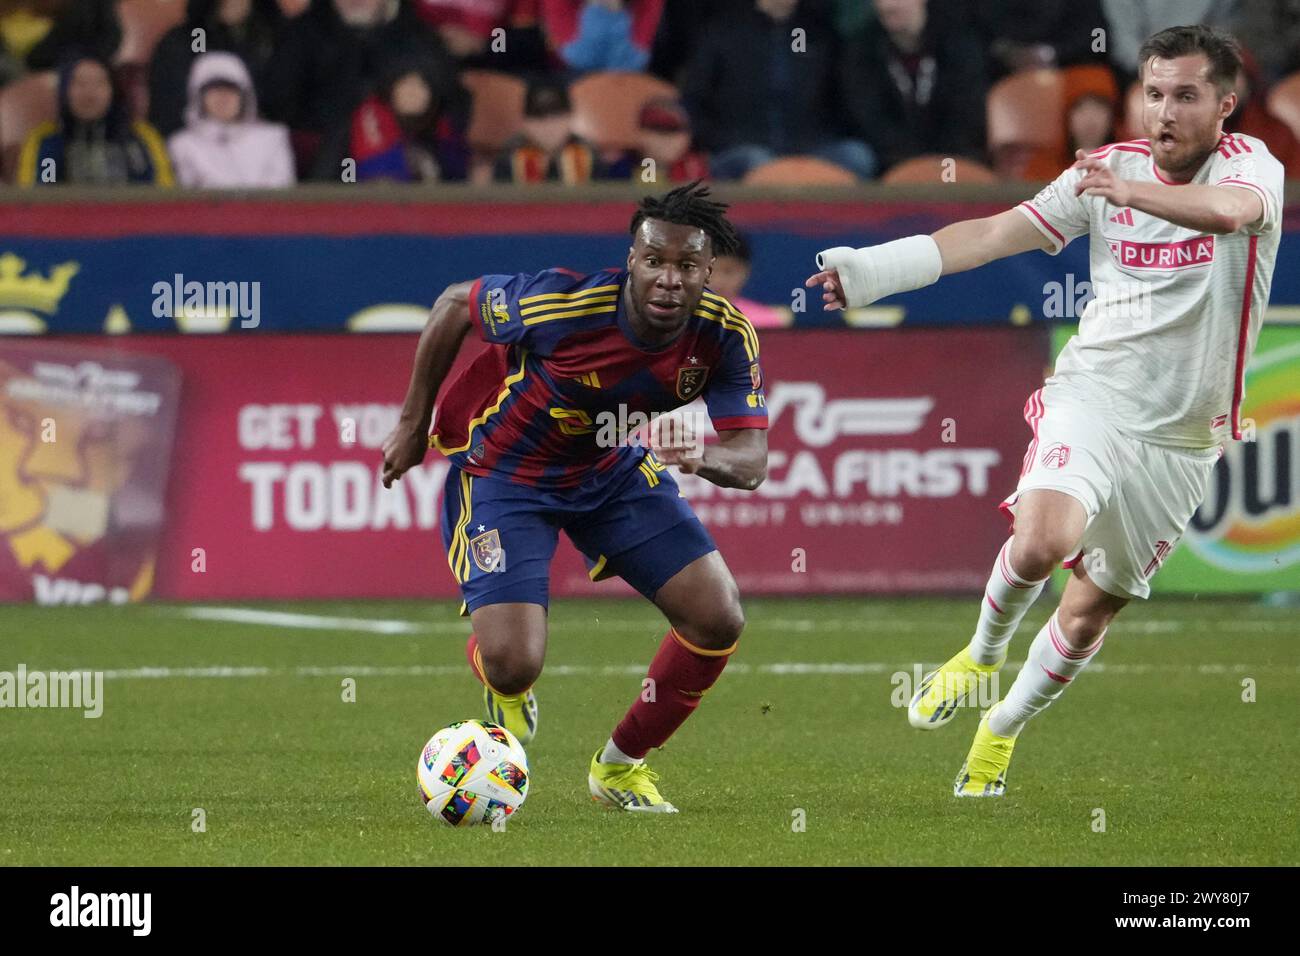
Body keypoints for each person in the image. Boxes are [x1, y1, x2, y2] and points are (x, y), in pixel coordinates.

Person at [807, 26, 1283, 797]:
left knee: (1089, 611)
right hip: (1095, 395)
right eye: (1154, 93)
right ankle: (981, 656)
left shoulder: (1252, 167)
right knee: (1041, 540)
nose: (1165, 111)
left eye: (1187, 96)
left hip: (1184, 436)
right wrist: (875, 272)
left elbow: (1229, 213)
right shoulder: (1104, 173)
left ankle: (1000, 731)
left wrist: (1132, 194)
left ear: (1226, 105)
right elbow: (993, 235)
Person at [380, 182, 768, 813]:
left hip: (610, 472)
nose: (669, 279)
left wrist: (701, 456)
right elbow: (455, 304)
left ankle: (619, 768)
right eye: (655, 261)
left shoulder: (723, 335)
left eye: (688, 266)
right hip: (505, 475)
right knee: (514, 663)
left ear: (709, 272)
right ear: (632, 260)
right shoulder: (563, 303)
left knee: (718, 616)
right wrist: (411, 422)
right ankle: (501, 679)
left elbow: (751, 462)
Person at [682, 0, 874, 180]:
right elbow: (694, 101)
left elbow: (845, 102)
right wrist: (719, 141)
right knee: (759, 162)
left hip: (809, 150)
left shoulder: (818, 32)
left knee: (856, 156)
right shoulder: (723, 30)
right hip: (740, 149)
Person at [840, 0, 987, 174]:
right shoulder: (862, 49)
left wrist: (939, 164)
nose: (888, 6)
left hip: (955, 159)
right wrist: (913, 165)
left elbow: (967, 114)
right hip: (892, 163)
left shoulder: (959, 42)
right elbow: (870, 119)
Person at [18, 56, 172, 186]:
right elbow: (40, 195)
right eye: (79, 83)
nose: (89, 93)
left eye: (99, 83)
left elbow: (161, 195)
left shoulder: (140, 138)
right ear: (63, 92)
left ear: (113, 90)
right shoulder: (48, 142)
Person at [148, 0, 286, 139]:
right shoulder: (193, 37)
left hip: (256, 139)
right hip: (193, 140)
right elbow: (170, 110)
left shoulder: (273, 36)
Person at [167, 51, 295, 188]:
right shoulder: (182, 145)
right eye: (214, 89)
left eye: (231, 89)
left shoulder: (273, 138)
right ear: (198, 96)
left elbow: (282, 189)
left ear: (245, 96)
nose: (223, 97)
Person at [493, 80, 598, 184]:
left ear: (570, 117)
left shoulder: (588, 155)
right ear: (524, 122)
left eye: (556, 118)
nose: (548, 128)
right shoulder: (510, 158)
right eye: (538, 118)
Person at [706, 231, 784, 328]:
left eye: (728, 271)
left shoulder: (767, 322)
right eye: (709, 270)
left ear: (746, 271)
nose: (718, 281)